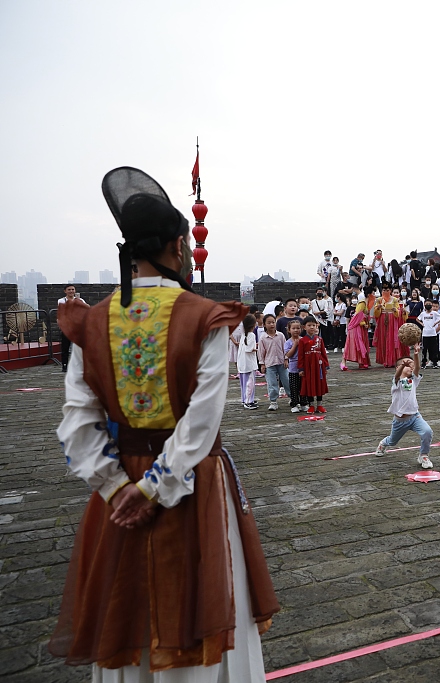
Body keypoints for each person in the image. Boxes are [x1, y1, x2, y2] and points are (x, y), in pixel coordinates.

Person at [51, 166, 278, 678]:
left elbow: (76, 425)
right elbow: (200, 423)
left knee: (126, 612)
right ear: (179, 247)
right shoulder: (205, 317)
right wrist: (155, 487)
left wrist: (117, 488)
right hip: (192, 487)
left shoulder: (93, 323)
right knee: (205, 608)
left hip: (120, 491)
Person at [375, 344, 435, 469]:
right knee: (392, 441)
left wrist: (416, 355)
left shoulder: (413, 380)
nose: (411, 368)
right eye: (408, 366)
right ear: (398, 367)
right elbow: (397, 375)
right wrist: (403, 364)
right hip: (400, 420)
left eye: (411, 366)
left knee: (427, 431)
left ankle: (423, 455)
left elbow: (418, 368)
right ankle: (383, 443)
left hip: (415, 416)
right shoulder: (396, 382)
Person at [298, 318, 329, 413]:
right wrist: (301, 368)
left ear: (316, 326)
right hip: (308, 367)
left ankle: (319, 405)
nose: (311, 327)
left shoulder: (319, 339)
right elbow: (301, 356)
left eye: (313, 325)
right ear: (304, 327)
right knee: (309, 384)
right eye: (309, 325)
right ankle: (311, 405)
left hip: (319, 365)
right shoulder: (302, 341)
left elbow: (323, 353)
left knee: (319, 383)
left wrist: (325, 366)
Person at [258, 313, 287, 411]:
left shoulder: (281, 335)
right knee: (272, 383)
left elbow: (285, 348)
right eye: (269, 323)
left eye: (273, 322)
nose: (271, 324)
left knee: (286, 381)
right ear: (264, 324)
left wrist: (286, 359)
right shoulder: (263, 337)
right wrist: (262, 364)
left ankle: (293, 398)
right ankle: (273, 401)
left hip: (281, 362)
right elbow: (261, 352)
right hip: (269, 363)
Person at [373, 288, 404, 368]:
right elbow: (376, 313)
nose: (385, 292)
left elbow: (398, 312)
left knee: (391, 338)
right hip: (382, 320)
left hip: (392, 320)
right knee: (383, 338)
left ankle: (391, 359)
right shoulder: (379, 299)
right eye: (383, 290)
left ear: (390, 291)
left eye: (387, 290)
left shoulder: (394, 300)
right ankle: (384, 359)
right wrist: (378, 308)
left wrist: (395, 310)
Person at [57, 284, 84, 372]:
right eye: (69, 289)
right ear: (65, 291)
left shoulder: (80, 300)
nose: (71, 291)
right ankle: (65, 365)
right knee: (65, 347)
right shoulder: (61, 300)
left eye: (72, 289)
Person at [343, 290, 371, 370]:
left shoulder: (364, 304)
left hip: (359, 326)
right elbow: (358, 316)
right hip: (356, 326)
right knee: (357, 343)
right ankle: (344, 361)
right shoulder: (362, 303)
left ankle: (361, 361)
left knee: (360, 343)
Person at [237, 314, 259, 409]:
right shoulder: (251, 335)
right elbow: (249, 349)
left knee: (243, 383)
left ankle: (244, 399)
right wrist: (258, 348)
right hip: (249, 364)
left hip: (242, 363)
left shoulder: (243, 335)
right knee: (250, 383)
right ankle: (248, 401)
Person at [284, 319, 306, 412]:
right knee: (294, 387)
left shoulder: (304, 340)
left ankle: (304, 403)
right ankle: (294, 404)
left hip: (303, 367)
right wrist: (295, 345)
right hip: (293, 368)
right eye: (293, 328)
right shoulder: (288, 342)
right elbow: (288, 355)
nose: (296, 330)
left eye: (298, 328)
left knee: (303, 387)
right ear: (289, 330)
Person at [418, 299, 440, 368]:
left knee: (434, 349)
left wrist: (436, 322)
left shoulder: (434, 313)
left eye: (429, 304)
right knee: (424, 349)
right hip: (425, 334)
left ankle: (434, 362)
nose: (428, 305)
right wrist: (421, 323)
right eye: (427, 304)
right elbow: (417, 319)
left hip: (433, 333)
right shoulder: (423, 314)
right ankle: (424, 362)